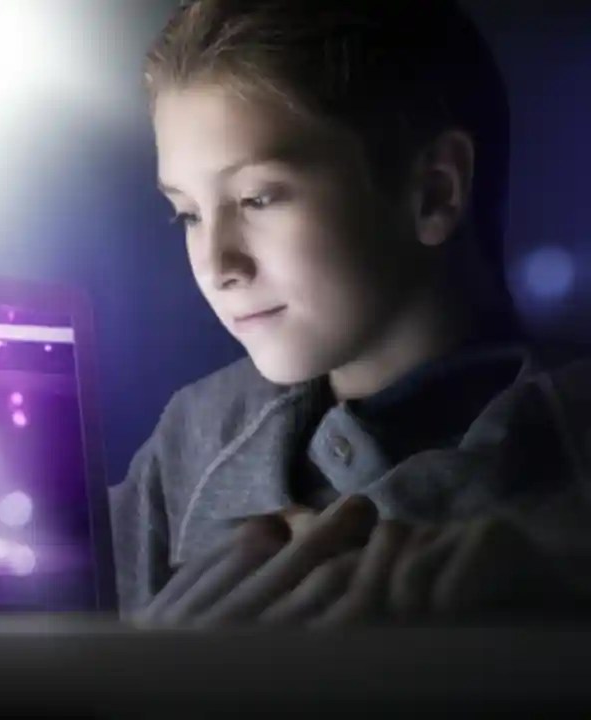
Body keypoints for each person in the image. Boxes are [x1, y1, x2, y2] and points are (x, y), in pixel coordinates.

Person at [112, 0, 591, 627]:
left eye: (257, 197)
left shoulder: (569, 467)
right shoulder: (189, 449)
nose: (216, 263)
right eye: (189, 214)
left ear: (434, 191)